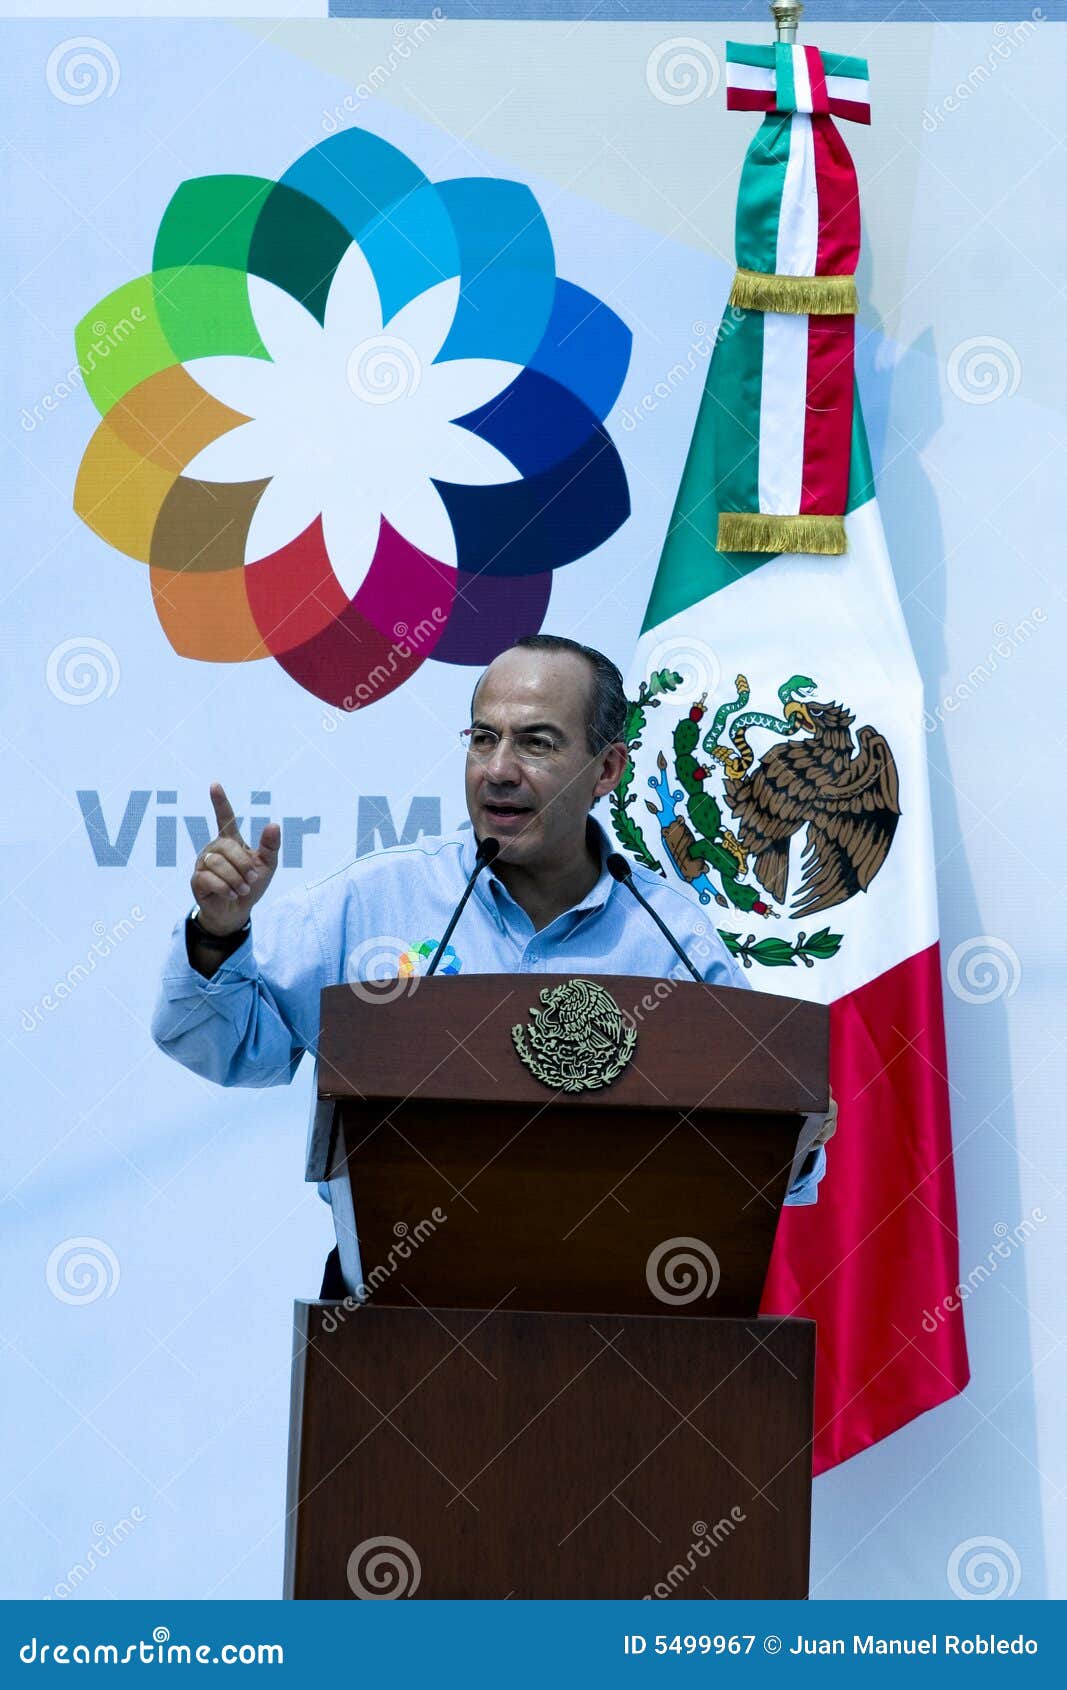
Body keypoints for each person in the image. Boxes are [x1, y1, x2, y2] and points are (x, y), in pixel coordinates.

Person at [151, 636, 832, 1286]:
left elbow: (757, 1162)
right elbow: (227, 1047)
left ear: (607, 770)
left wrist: (796, 1135)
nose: (498, 769)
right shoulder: (374, 900)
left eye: (535, 743)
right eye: (483, 738)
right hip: (388, 1324)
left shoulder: (669, 937)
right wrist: (217, 933)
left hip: (618, 1334)